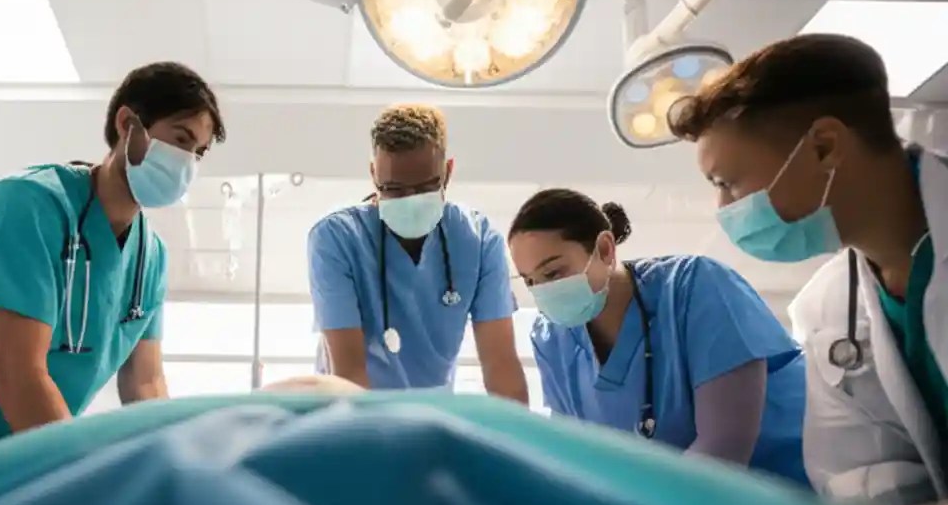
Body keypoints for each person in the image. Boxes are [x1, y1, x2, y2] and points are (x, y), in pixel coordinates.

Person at [0, 62, 224, 465]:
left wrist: (178, 464)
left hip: (20, 463)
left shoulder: (151, 257)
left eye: (198, 153)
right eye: (180, 140)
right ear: (127, 124)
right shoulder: (26, 205)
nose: (187, 163)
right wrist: (83, 474)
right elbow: (17, 374)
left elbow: (145, 385)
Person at [668, 33, 948, 505]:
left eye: (728, 183)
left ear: (823, 146)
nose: (724, 208)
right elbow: (866, 491)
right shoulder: (827, 311)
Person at [509, 189, 810, 485]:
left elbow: (724, 450)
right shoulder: (552, 340)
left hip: (794, 490)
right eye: (530, 281)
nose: (543, 291)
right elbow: (572, 459)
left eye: (553, 273)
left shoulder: (696, 288)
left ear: (604, 249)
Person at [307, 103, 529, 402]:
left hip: (433, 411)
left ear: (447, 171)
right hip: (354, 408)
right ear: (373, 175)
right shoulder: (336, 238)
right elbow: (348, 372)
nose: (410, 200)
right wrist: (366, 431)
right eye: (394, 189)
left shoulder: (478, 239)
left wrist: (519, 430)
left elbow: (500, 365)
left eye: (426, 187)